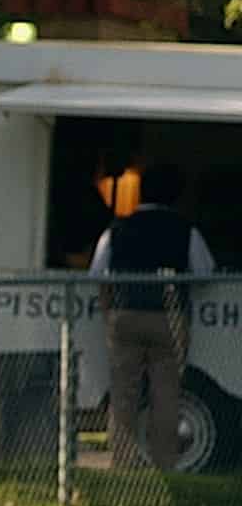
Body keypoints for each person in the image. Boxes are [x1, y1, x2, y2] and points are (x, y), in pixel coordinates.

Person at [89, 163, 215, 470]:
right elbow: (204, 272)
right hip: (168, 317)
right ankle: (164, 465)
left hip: (125, 313)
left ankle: (123, 463)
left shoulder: (116, 229)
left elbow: (97, 273)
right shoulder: (186, 230)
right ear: (177, 196)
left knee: (124, 393)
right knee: (166, 392)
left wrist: (109, 312)